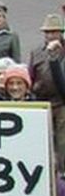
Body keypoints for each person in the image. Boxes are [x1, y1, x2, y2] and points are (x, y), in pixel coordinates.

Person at [30, 13, 65, 160]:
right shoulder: (37, 52)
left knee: (62, 142)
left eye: (54, 32)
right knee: (43, 141)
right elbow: (30, 74)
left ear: (61, 33)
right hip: (43, 102)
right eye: (48, 32)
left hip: (62, 102)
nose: (50, 35)